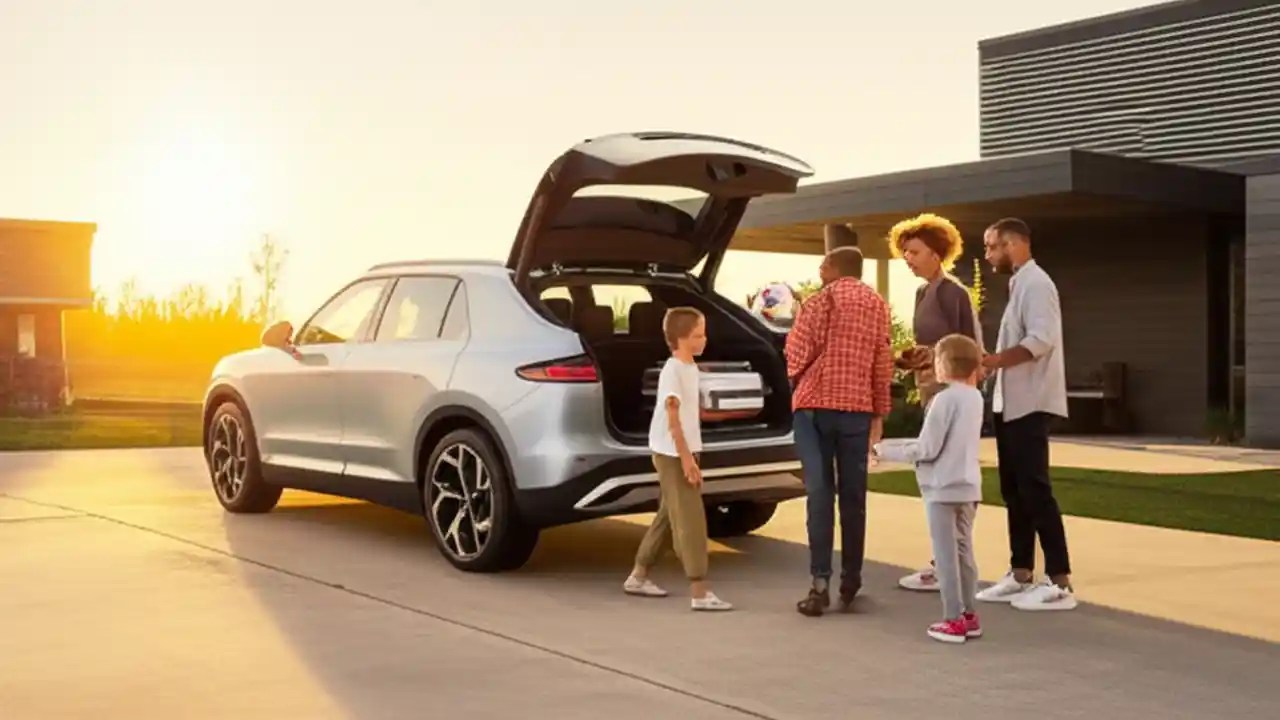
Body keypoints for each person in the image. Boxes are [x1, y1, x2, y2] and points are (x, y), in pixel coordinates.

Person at [785, 243, 893, 617]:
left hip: (815, 408)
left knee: (819, 492)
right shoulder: (877, 304)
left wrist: (796, 375)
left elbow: (797, 351)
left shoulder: (820, 301)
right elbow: (882, 359)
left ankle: (819, 585)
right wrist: (879, 411)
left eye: (823, 264)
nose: (819, 271)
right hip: (857, 410)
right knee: (853, 496)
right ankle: (851, 580)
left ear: (834, 267)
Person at [976, 217, 1077, 612]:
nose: (987, 255)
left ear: (1014, 244)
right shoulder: (1019, 284)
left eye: (992, 247)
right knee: (1014, 491)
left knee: (1035, 490)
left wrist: (994, 360)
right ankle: (1020, 573)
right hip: (1010, 404)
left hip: (1031, 403)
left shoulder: (1037, 284)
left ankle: (1059, 581)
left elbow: (1041, 340)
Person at [886, 213, 985, 593]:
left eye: (914, 252)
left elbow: (969, 348)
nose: (908, 259)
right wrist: (912, 357)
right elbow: (932, 346)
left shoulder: (952, 292)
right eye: (905, 253)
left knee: (950, 475)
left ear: (936, 253)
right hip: (930, 388)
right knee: (933, 476)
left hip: (952, 393)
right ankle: (943, 561)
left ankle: (950, 563)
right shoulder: (921, 293)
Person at [874, 334, 986, 643]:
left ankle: (952, 618)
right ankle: (970, 615)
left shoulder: (943, 400)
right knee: (964, 552)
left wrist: (885, 450)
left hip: (941, 488)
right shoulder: (974, 398)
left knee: (945, 556)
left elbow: (927, 448)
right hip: (968, 486)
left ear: (944, 364)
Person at [624, 307, 733, 612]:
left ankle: (638, 575)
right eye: (698, 335)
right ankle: (699, 590)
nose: (704, 340)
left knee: (670, 514)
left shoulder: (690, 367)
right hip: (672, 451)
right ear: (681, 338)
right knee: (690, 518)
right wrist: (687, 459)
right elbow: (672, 418)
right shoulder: (673, 370)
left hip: (681, 449)